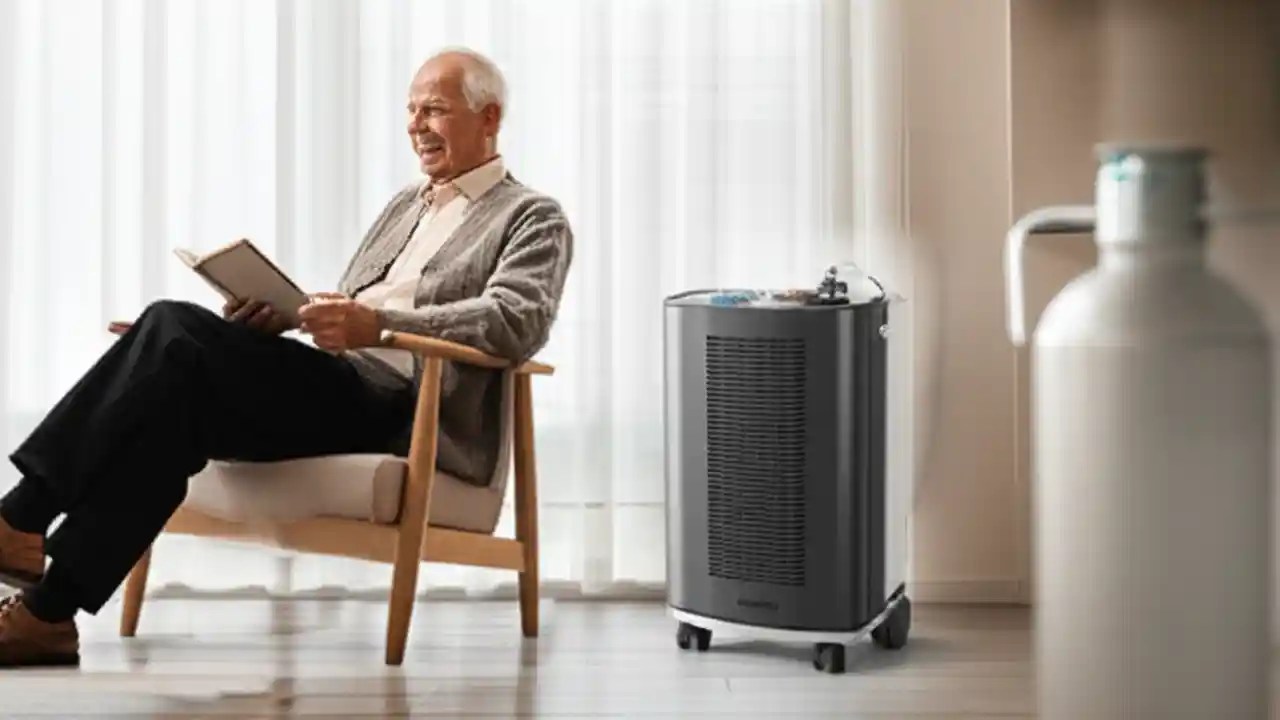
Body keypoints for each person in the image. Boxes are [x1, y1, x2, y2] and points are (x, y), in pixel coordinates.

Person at [0, 47, 572, 667]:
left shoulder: (531, 216)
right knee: (169, 402)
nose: (416, 125)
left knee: (170, 327)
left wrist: (379, 325)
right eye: (410, 110)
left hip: (398, 402)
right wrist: (289, 319)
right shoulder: (407, 205)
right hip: (338, 379)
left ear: (489, 118)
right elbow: (352, 311)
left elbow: (517, 320)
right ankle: (49, 617)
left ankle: (22, 518)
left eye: (434, 109)